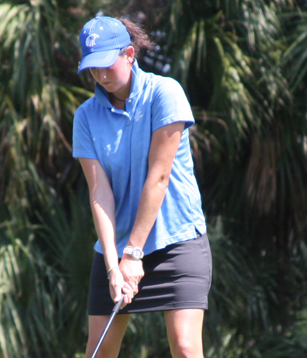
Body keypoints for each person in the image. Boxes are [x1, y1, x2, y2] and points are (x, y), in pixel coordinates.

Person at [72, 16, 212, 358]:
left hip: (176, 240)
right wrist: (112, 265)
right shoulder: (86, 116)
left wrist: (133, 254)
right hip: (116, 251)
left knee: (184, 346)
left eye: (107, 64)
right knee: (99, 351)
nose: (101, 76)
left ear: (130, 54)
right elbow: (99, 193)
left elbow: (159, 177)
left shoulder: (165, 93)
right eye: (93, 68)